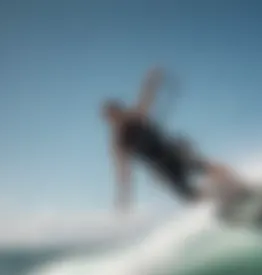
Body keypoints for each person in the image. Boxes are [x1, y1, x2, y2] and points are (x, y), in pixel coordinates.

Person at [102, 67, 242, 211]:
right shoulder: (119, 143)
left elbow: (147, 96)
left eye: (117, 112)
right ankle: (222, 198)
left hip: (173, 150)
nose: (117, 118)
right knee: (190, 197)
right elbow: (123, 171)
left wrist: (153, 79)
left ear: (121, 110)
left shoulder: (136, 116)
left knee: (205, 167)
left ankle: (238, 184)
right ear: (109, 121)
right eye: (112, 117)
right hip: (162, 169)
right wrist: (124, 197)